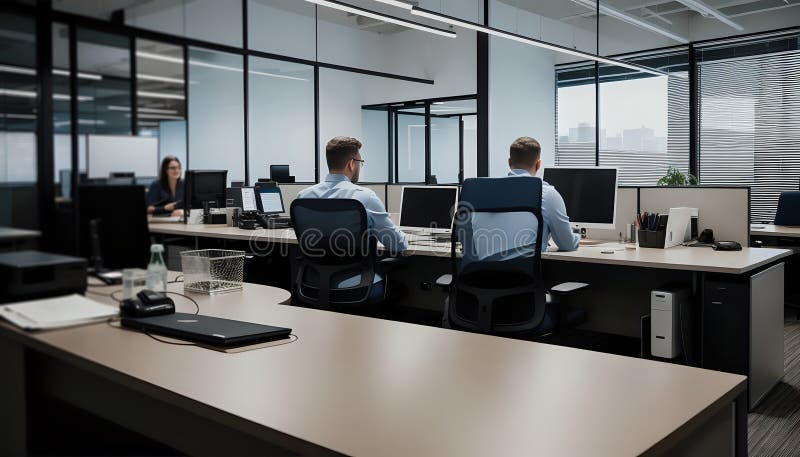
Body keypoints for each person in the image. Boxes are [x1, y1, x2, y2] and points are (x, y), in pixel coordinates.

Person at [297, 136, 407, 252]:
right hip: (356, 269)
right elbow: (397, 245)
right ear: (351, 164)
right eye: (360, 162)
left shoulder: (303, 197)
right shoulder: (366, 197)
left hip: (315, 268)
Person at [507, 136, 580, 252]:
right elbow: (568, 244)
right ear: (538, 165)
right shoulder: (546, 193)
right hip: (523, 268)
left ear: (509, 162)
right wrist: (577, 235)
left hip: (483, 268)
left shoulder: (487, 191)